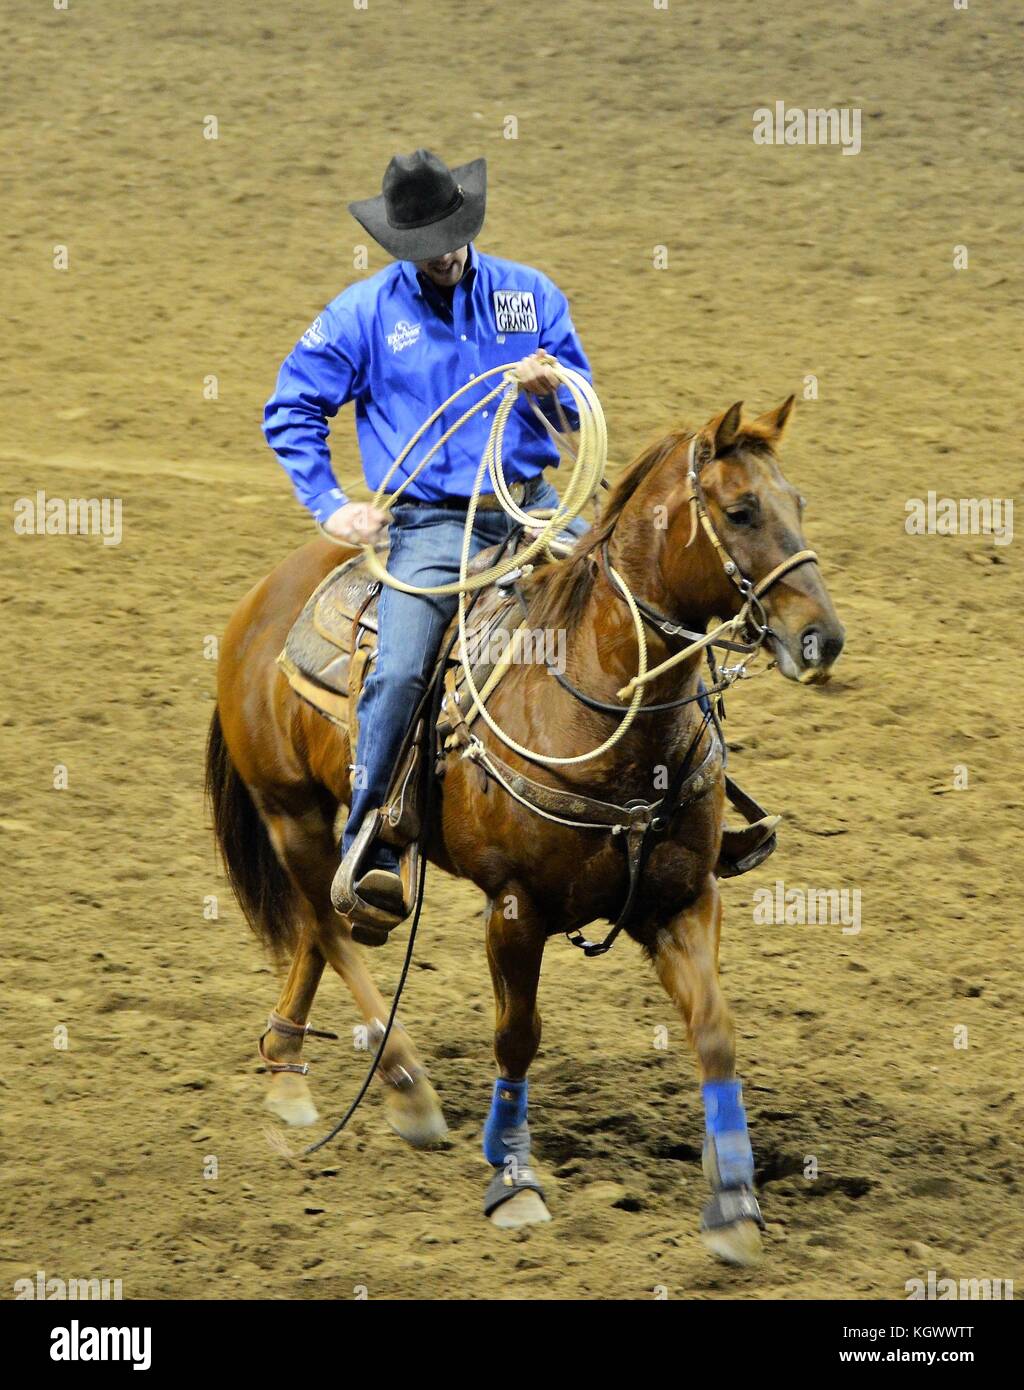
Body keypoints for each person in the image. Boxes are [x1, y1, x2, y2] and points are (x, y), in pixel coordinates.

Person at [264, 149, 592, 919]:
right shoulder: (362, 313)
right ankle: (374, 838)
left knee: (637, 600)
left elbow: (579, 411)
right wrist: (331, 506)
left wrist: (557, 387)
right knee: (404, 665)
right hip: (434, 522)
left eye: (450, 236)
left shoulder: (529, 294)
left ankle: (692, 794)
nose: (442, 254)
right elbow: (291, 407)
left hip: (533, 501)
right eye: (423, 245)